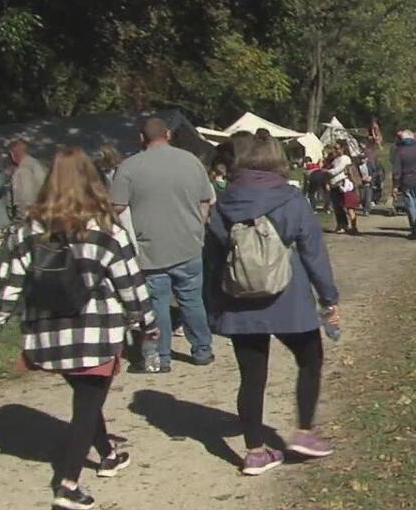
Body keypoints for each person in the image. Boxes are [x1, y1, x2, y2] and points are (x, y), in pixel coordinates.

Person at [0, 147, 157, 510]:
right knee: (87, 405)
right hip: (95, 332)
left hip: (47, 333)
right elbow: (130, 284)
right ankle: (68, 484)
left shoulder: (26, 231)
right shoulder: (105, 230)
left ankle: (107, 454)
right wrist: (146, 323)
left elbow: (9, 286)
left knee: (86, 399)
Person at [203, 136, 340, 475]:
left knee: (251, 377)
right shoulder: (292, 200)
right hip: (289, 298)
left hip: (240, 302)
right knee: (310, 360)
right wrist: (329, 298)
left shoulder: (223, 204)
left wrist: (213, 307)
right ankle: (304, 432)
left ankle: (254, 451)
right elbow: (313, 253)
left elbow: (212, 262)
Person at [109, 116, 215, 372]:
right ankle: (202, 350)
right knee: (192, 299)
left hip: (150, 248)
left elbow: (117, 207)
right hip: (188, 243)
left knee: (157, 304)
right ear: (167, 134)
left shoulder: (129, 167)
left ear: (141, 138)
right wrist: (197, 228)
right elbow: (206, 200)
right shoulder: (191, 161)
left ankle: (160, 357)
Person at [8, 139, 48, 222]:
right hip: (29, 211)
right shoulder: (31, 165)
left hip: (29, 213)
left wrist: (26, 212)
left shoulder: (27, 167)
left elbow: (27, 194)